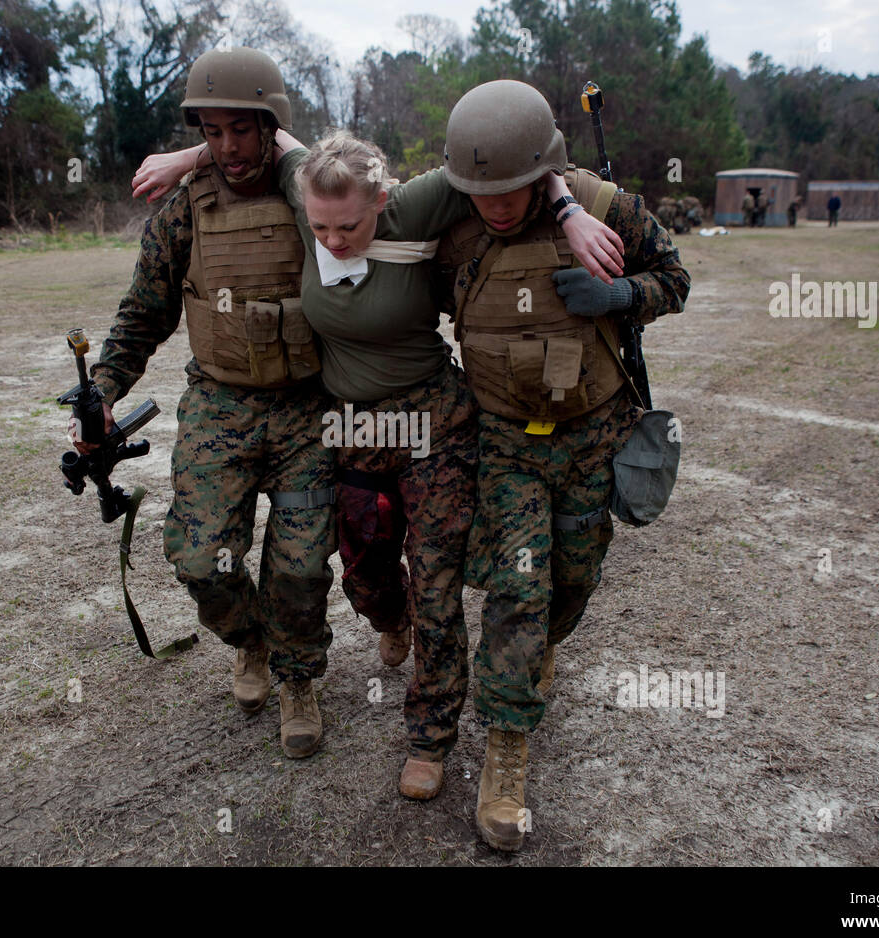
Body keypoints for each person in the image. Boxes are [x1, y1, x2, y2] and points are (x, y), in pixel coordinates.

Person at [135, 119, 625, 801]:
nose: (332, 241)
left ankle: (430, 739)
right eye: (320, 229)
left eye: (348, 228)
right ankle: (386, 622)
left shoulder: (417, 204)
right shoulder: (307, 181)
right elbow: (265, 140)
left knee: (437, 587)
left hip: (433, 423)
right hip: (351, 428)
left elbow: (504, 162)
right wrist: (184, 155)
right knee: (366, 580)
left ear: (381, 201)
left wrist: (569, 211)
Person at [434, 80, 690, 851]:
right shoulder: (454, 230)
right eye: (483, 190)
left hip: (590, 436)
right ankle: (506, 750)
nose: (499, 204)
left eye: (515, 186)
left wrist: (618, 295)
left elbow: (675, 282)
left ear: (544, 167)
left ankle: (536, 653)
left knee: (572, 579)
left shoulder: (608, 207)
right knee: (520, 586)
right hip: (506, 444)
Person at [73, 48, 337, 760]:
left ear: (269, 127)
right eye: (211, 133)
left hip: (309, 409)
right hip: (220, 404)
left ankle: (298, 677)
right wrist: (99, 392)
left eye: (241, 131)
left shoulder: (309, 197)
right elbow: (141, 315)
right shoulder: (184, 210)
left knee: (303, 567)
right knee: (199, 559)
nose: (227, 147)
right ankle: (251, 642)